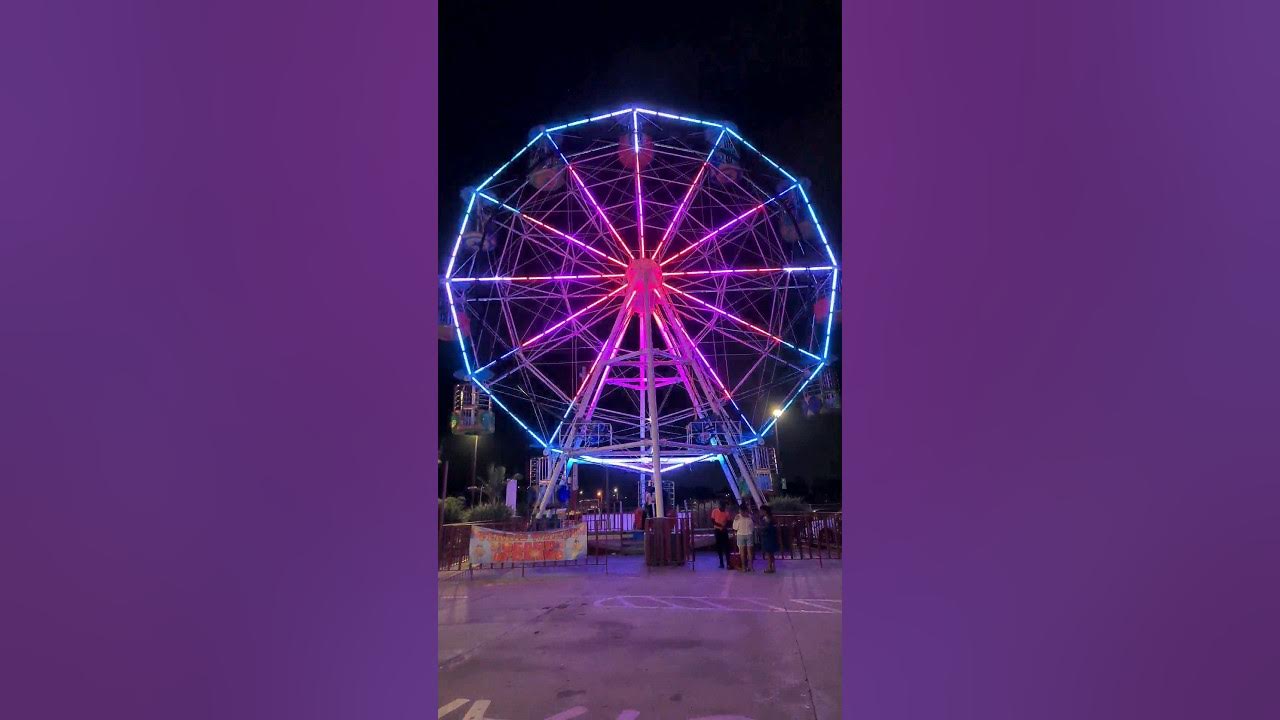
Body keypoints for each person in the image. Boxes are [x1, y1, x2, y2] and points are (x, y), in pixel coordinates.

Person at [732, 503, 755, 572]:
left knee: (742, 552)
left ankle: (744, 567)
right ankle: (751, 567)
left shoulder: (737, 517)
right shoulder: (749, 517)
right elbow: (752, 527)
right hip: (749, 534)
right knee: (749, 552)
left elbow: (735, 527)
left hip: (740, 534)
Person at [710, 500, 732, 569]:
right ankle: (721, 562)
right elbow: (713, 521)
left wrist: (724, 526)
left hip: (724, 530)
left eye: (724, 506)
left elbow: (729, 522)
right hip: (717, 530)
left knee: (727, 547)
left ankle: (728, 563)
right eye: (722, 505)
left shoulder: (726, 513)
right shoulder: (715, 511)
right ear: (720, 505)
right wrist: (720, 525)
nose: (723, 507)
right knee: (719, 547)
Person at [760, 505, 780, 573]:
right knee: (771, 553)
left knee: (768, 553)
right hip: (772, 537)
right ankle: (773, 567)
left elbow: (765, 528)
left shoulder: (766, 518)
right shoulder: (771, 518)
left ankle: (769, 567)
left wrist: (762, 529)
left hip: (767, 537)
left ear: (765, 511)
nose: (760, 512)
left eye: (761, 510)